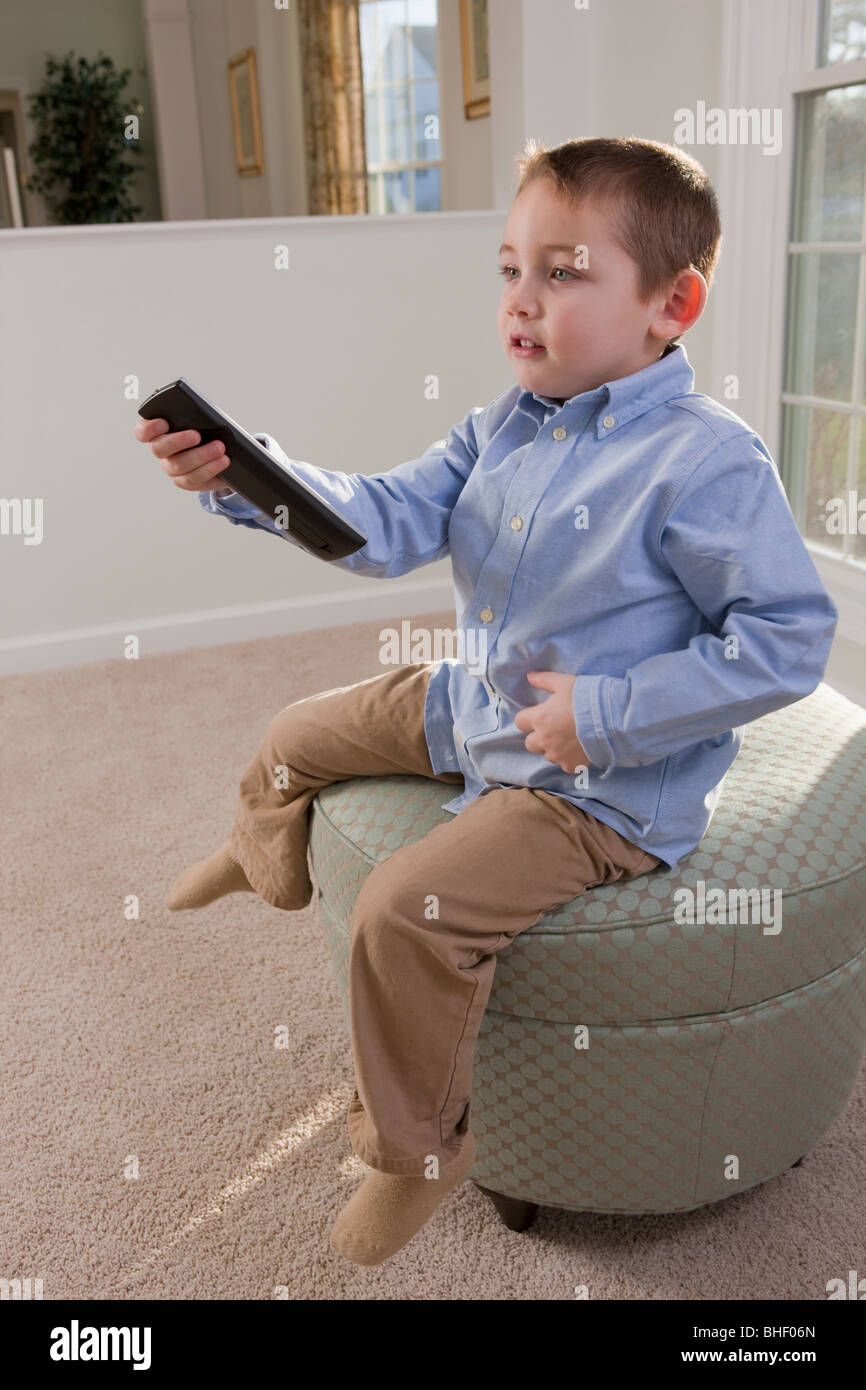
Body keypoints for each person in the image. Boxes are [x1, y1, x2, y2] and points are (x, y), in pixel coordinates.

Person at [134, 136, 838, 1266]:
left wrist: (602, 713)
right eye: (508, 269)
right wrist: (248, 479)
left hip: (589, 788)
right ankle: (264, 853)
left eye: (561, 273)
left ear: (672, 302)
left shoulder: (706, 463)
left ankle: (411, 1154)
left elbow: (786, 640)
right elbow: (381, 521)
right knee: (291, 734)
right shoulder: (500, 425)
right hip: (478, 705)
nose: (520, 301)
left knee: (401, 911)